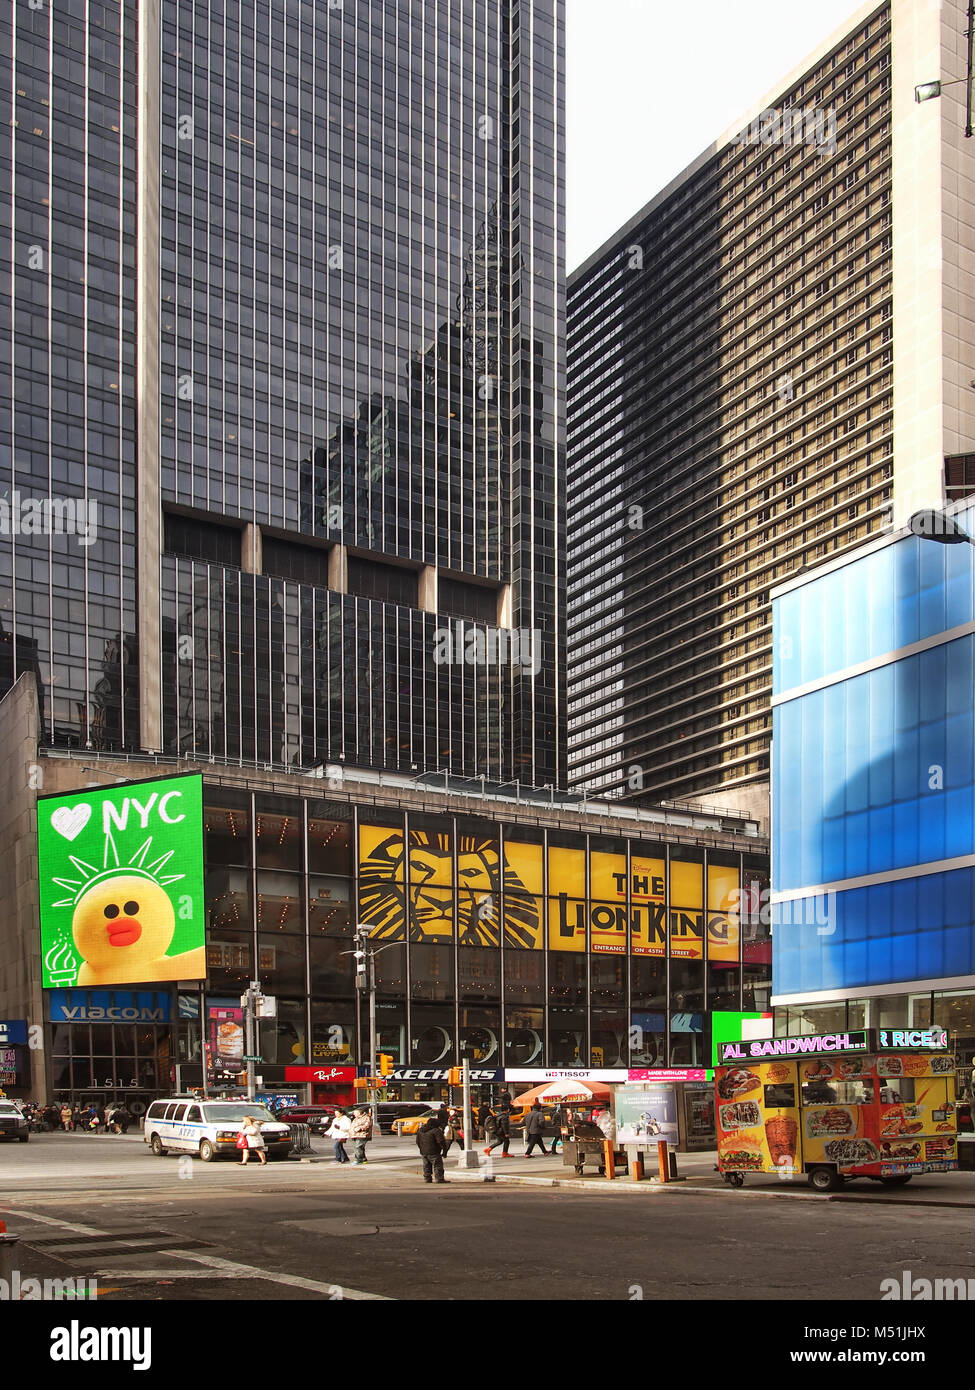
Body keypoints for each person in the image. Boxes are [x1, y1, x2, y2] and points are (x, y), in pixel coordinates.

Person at [415, 1116, 448, 1184]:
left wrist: (421, 1148)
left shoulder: (420, 1130)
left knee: (426, 1165)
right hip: (434, 1151)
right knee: (437, 1165)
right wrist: (444, 1150)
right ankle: (439, 1178)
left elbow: (417, 1141)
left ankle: (427, 1178)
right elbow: (441, 1141)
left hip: (423, 1151)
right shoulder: (436, 1131)